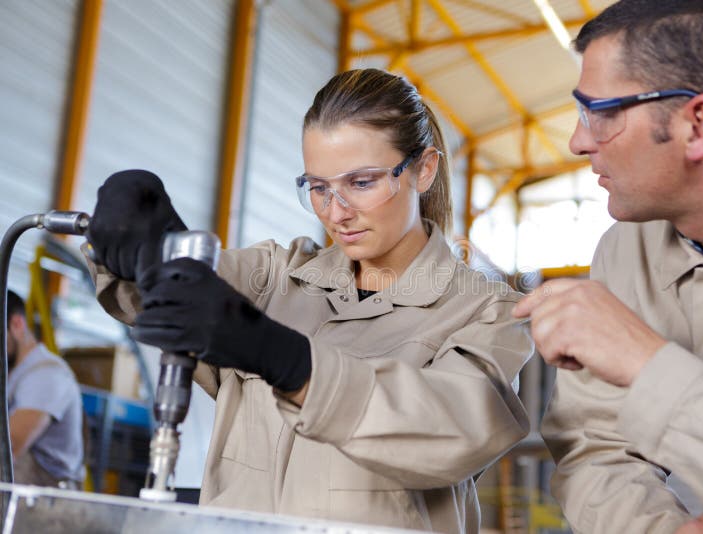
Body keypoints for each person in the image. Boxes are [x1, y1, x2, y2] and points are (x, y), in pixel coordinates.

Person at [84, 68, 532, 532]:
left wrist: (285, 359)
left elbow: (450, 433)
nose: (336, 213)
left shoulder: (488, 313)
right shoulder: (275, 279)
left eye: (361, 182)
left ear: (424, 169)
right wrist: (137, 239)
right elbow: (156, 291)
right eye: (318, 188)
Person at [511, 1, 703, 533]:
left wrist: (647, 364)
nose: (578, 142)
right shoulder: (623, 251)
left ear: (697, 124)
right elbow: (595, 447)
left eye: (601, 114)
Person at [5, 290, 84, 489]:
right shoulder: (14, 374)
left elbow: (9, 447)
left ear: (16, 325)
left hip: (47, 503)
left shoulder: (47, 375)